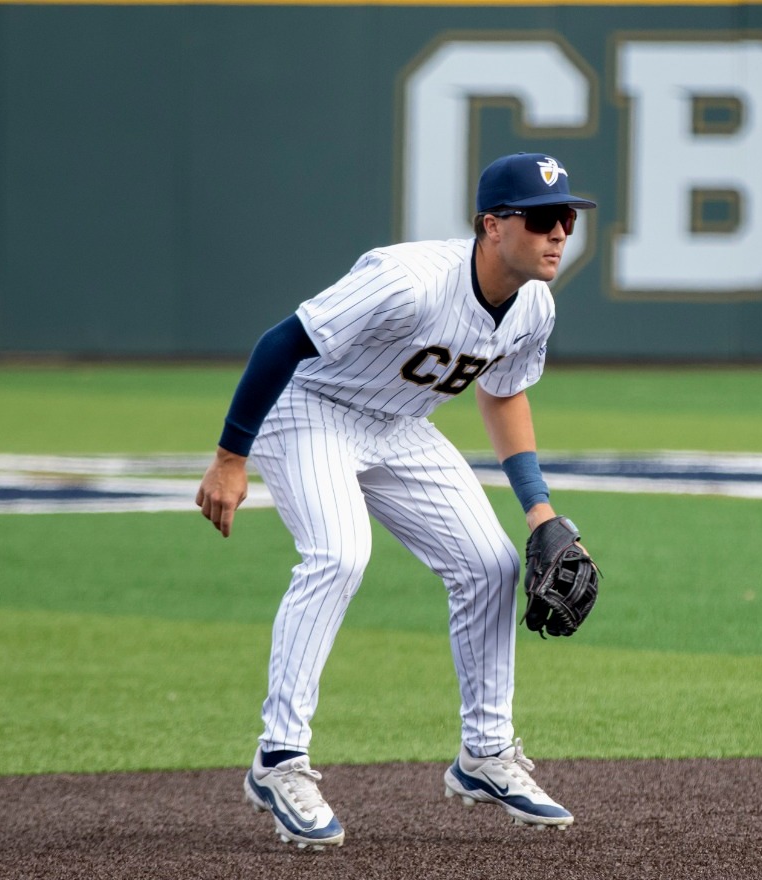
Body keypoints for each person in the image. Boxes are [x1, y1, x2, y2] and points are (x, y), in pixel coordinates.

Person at [196, 152, 596, 850]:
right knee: (340, 555)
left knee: (492, 565)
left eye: (566, 218)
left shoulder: (533, 304)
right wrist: (231, 458)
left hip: (400, 425)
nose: (558, 233)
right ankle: (279, 759)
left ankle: (485, 754)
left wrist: (539, 509)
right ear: (491, 225)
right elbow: (280, 343)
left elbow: (501, 393)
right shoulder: (408, 282)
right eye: (540, 219)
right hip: (310, 410)